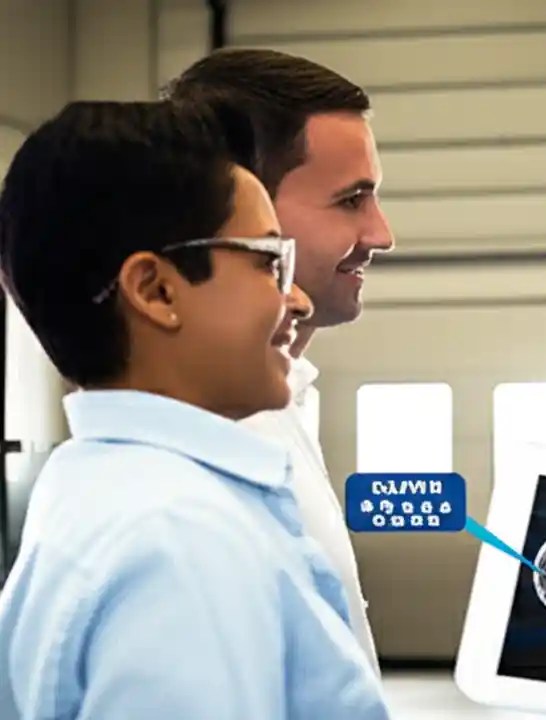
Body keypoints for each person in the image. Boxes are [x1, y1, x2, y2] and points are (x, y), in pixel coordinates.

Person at [0, 101, 389, 718]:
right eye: (267, 261)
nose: (297, 300)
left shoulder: (90, 488)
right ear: (155, 290)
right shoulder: (180, 541)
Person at [161, 49, 395, 673]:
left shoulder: (284, 399)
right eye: (352, 201)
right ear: (246, 209)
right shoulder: (212, 452)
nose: (382, 233)